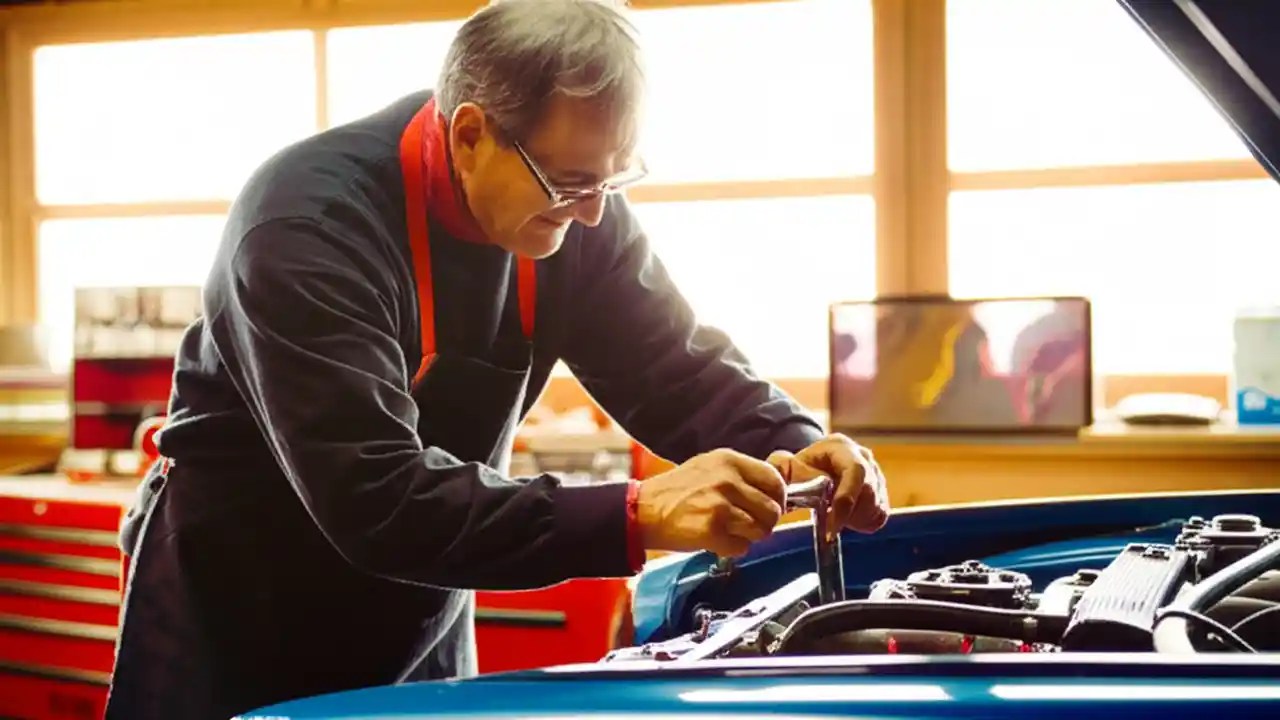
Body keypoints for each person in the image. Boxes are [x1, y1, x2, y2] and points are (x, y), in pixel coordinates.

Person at [105, 1, 890, 718]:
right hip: (243, 612)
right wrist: (636, 514)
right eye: (570, 182)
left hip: (421, 602)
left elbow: (671, 364)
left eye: (614, 181)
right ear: (470, 133)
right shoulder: (304, 225)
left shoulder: (581, 209)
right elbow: (375, 499)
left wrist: (794, 441)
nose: (591, 214)